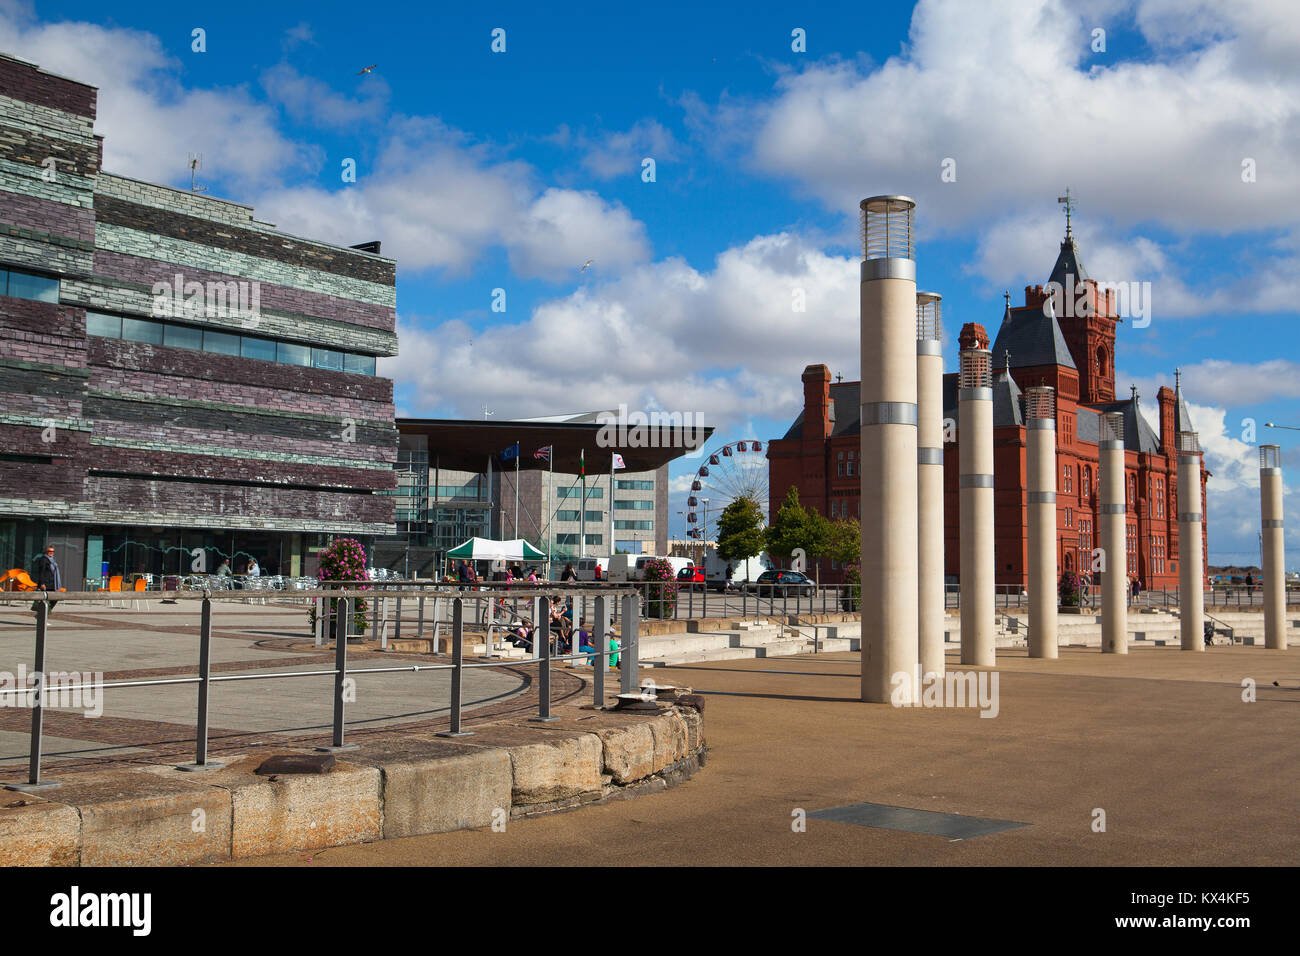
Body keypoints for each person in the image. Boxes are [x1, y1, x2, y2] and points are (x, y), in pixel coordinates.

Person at [31, 544, 61, 617]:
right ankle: (42, 616)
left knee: (54, 599)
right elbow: (41, 572)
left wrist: (57, 585)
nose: (51, 553)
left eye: (53, 551)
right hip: (46, 584)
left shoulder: (52, 560)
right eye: (49, 551)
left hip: (52, 584)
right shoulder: (43, 559)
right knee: (46, 601)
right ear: (46, 551)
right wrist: (42, 583)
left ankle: (41, 615)